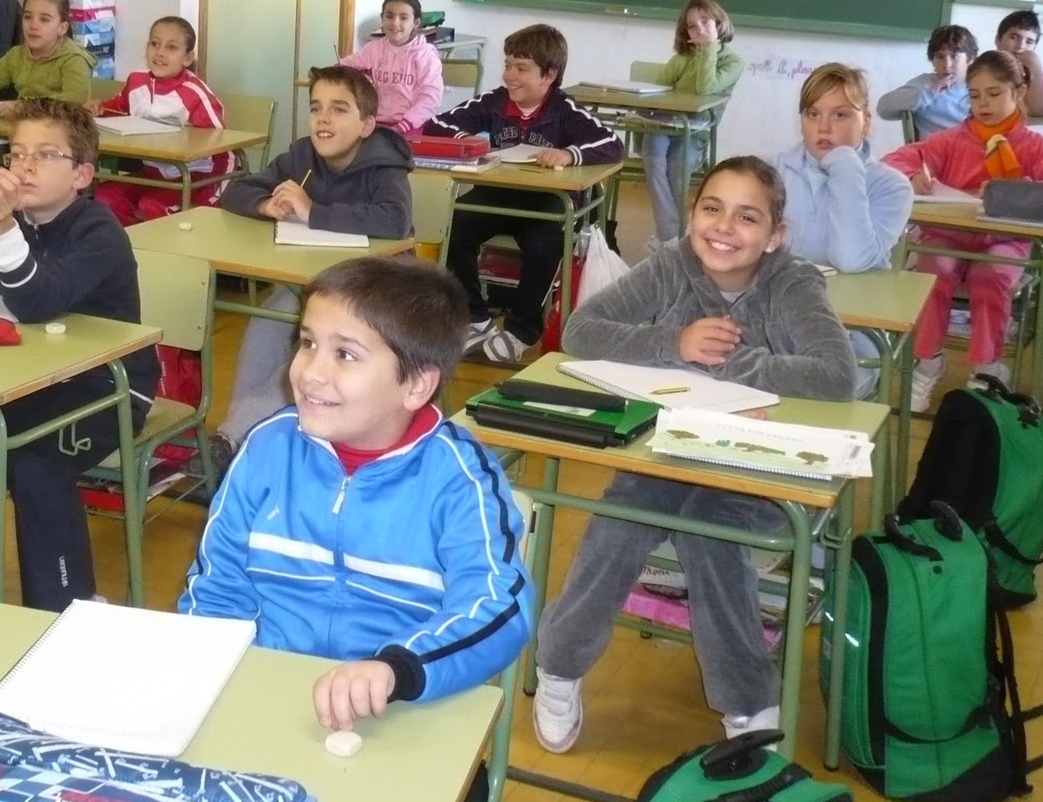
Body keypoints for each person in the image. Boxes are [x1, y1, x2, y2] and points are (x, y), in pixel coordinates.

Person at [533, 157, 855, 753]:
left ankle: (746, 699)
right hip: (673, 455)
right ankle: (558, 665)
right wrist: (671, 345)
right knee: (620, 520)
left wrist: (735, 364)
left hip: (757, 469)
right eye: (712, 208)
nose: (725, 227)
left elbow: (837, 375)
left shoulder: (792, 282)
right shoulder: (673, 264)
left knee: (710, 533)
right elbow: (582, 329)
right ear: (691, 215)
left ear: (775, 235)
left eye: (748, 216)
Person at [180, 258, 532, 782]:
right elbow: (217, 589)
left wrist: (398, 669)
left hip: (403, 706)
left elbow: (500, 608)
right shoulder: (267, 448)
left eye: (345, 354)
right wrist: (218, 673)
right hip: (271, 700)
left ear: (416, 385)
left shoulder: (461, 480)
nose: (310, 371)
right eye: (307, 343)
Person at [0, 98, 158, 610]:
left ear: (82, 175)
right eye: (16, 154)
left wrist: (1, 229)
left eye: (45, 155)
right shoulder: (18, 221)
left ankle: (69, 606)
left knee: (36, 465)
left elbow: (37, 301)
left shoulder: (98, 232)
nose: (23, 166)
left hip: (107, 386)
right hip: (31, 380)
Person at [208, 65, 413, 473]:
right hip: (310, 283)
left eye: (339, 110)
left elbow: (394, 220)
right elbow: (237, 189)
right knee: (267, 322)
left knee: (312, 352)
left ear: (366, 124)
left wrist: (312, 211)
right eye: (316, 108)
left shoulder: (385, 164)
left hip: (373, 295)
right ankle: (245, 446)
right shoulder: (302, 156)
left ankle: (233, 439)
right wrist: (266, 205)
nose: (323, 119)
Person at [883, 51, 1043, 412]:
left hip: (1005, 240)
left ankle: (986, 367)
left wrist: (1018, 190)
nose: (983, 104)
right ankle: (928, 362)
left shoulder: (1033, 145)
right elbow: (894, 162)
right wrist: (915, 177)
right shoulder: (952, 140)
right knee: (935, 271)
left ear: (1018, 92)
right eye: (975, 95)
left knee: (990, 274)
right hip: (948, 235)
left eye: (994, 94)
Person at [426, 23, 623, 366]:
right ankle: (476, 317)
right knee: (454, 223)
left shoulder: (563, 110)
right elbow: (438, 125)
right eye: (507, 65)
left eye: (521, 68)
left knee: (543, 244)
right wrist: (471, 143)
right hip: (499, 194)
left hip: (547, 201)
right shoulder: (494, 102)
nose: (509, 75)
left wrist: (570, 154)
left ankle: (521, 329)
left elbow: (612, 143)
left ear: (549, 75)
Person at [774, 63, 913, 397]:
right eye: (812, 114)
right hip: (775, 320)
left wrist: (845, 164)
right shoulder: (771, 172)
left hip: (850, 333)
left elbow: (849, 258)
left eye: (840, 115)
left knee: (817, 393)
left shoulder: (890, 187)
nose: (824, 128)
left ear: (865, 120)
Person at [89, 15, 236, 225]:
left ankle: (166, 251)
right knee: (105, 199)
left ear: (187, 58)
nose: (160, 52)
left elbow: (221, 142)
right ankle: (133, 248)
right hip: (155, 171)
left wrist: (206, 202)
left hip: (200, 174)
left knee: (152, 206)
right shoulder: (137, 81)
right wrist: (97, 109)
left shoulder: (194, 94)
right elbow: (117, 108)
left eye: (171, 47)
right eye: (155, 44)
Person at [642, 0, 744, 248]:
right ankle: (670, 233)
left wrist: (708, 48)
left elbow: (705, 89)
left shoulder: (733, 62)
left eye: (705, 22)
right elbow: (658, 87)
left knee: (678, 170)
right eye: (691, 26)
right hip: (666, 123)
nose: (699, 29)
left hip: (695, 131)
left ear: (719, 24)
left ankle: (672, 232)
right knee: (653, 154)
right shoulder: (683, 58)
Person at [338, 0, 445, 135]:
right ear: (382, 19)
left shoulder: (424, 55)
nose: (395, 23)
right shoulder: (374, 48)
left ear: (416, 23)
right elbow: (344, 65)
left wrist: (403, 126)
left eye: (403, 18)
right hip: (375, 123)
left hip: (411, 126)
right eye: (389, 16)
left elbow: (430, 99)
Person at [876, 24, 977, 139]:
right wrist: (928, 93)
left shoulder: (980, 88)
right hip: (935, 153)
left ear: (970, 59)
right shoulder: (926, 84)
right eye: (940, 57)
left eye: (954, 57)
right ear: (932, 61)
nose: (947, 65)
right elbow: (883, 108)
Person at [995, 8, 1043, 117]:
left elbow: (1039, 111)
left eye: (1029, 42)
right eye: (1013, 37)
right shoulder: (982, 72)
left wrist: (1033, 61)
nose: (1021, 46)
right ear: (997, 40)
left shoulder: (1040, 77)